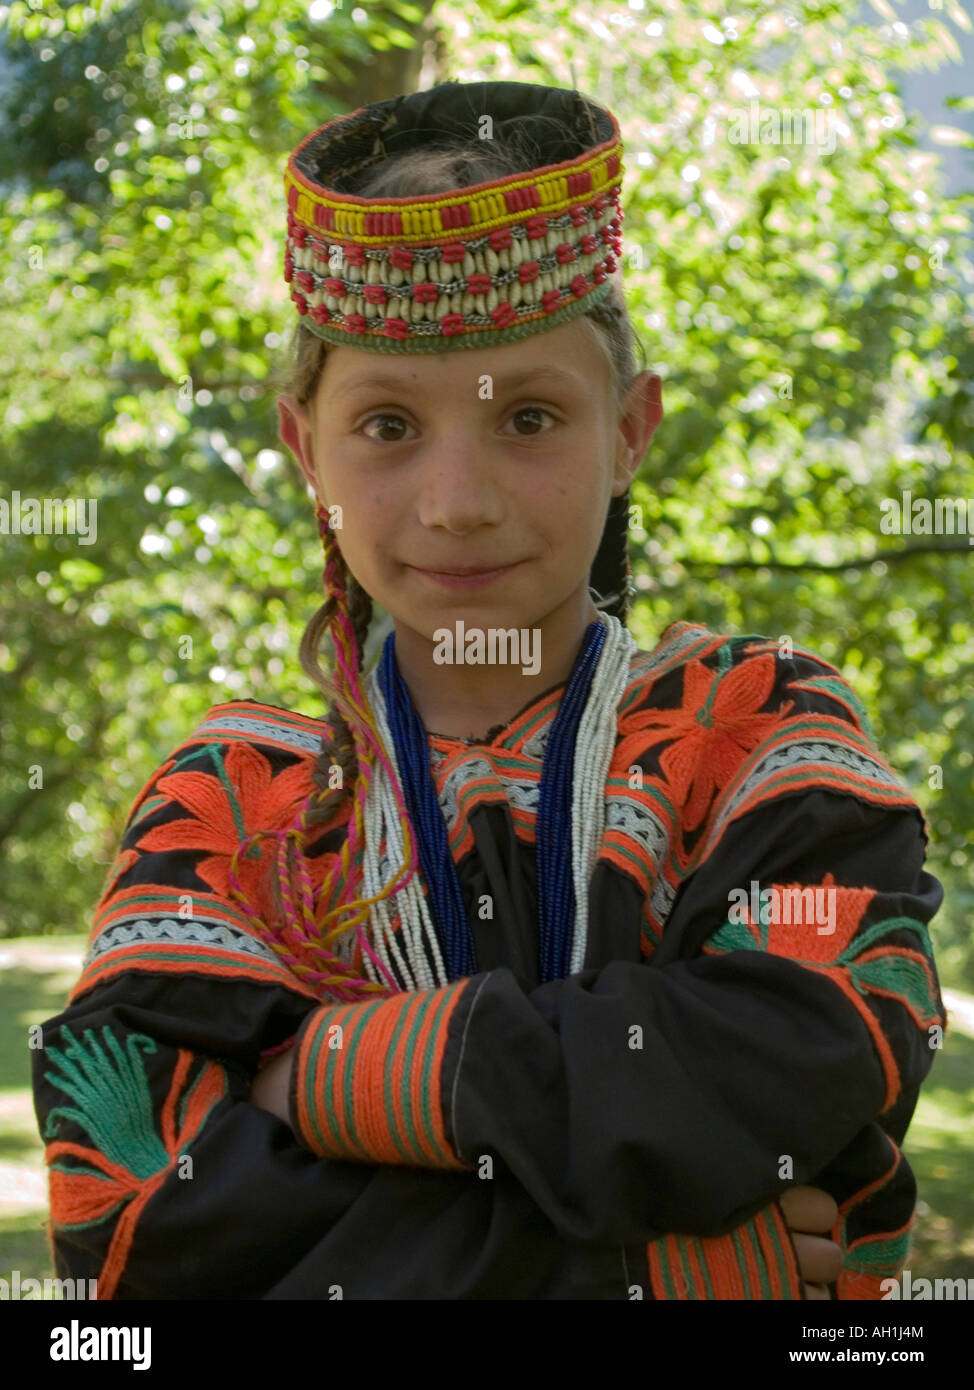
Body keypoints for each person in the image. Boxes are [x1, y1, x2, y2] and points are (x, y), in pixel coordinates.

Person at [31, 79, 945, 1301]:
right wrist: (634, 1266)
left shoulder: (758, 736)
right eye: (388, 426)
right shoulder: (232, 810)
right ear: (307, 451)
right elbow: (139, 1235)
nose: (457, 501)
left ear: (629, 430)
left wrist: (330, 1072)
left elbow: (811, 1051)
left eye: (526, 416)